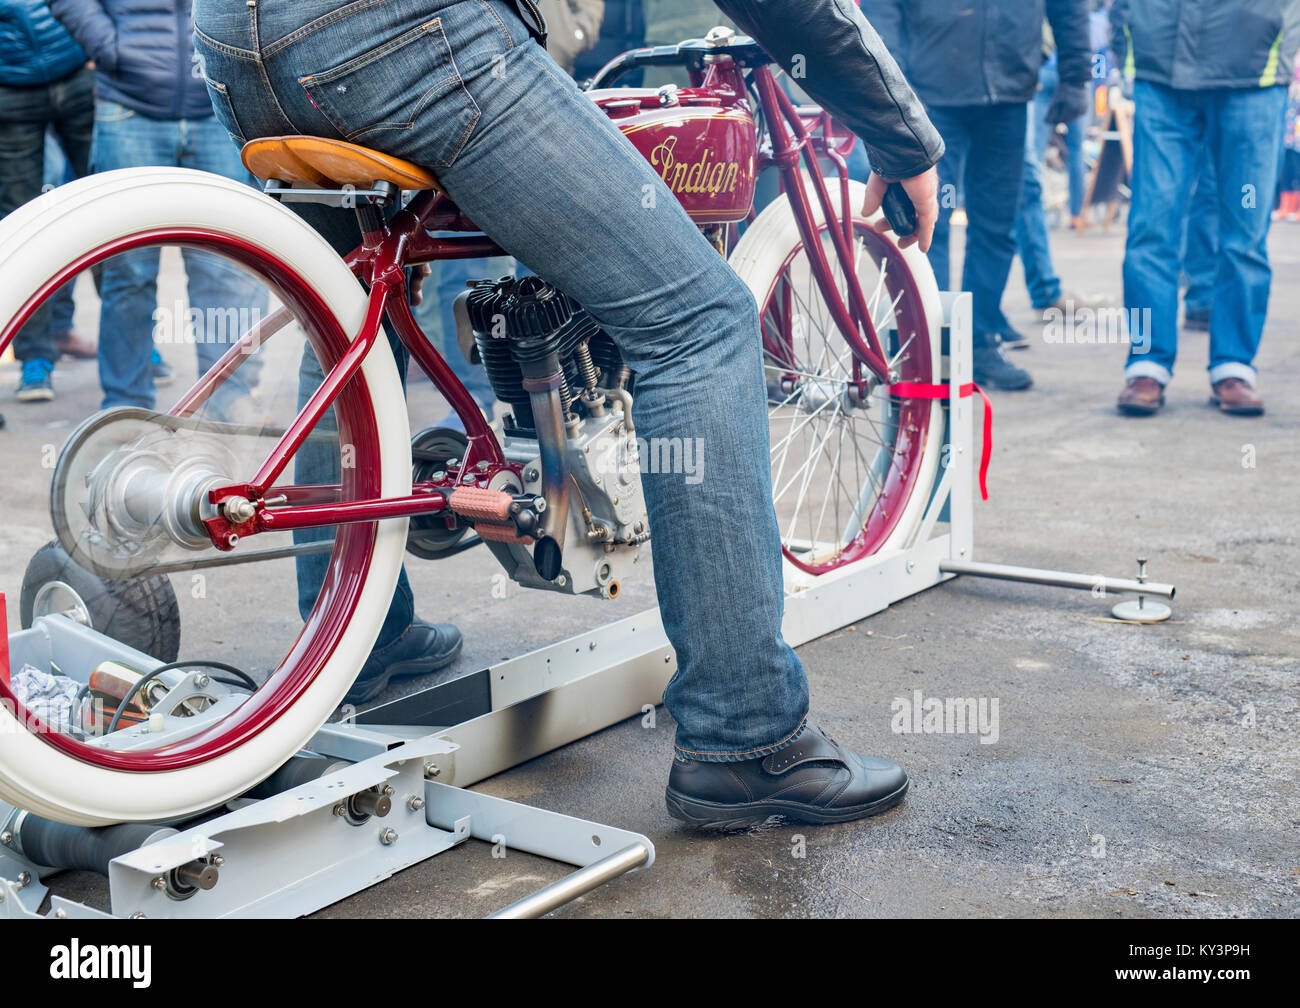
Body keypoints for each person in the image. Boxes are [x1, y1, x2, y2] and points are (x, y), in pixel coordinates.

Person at [192, 0, 943, 828]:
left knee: (355, 309)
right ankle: (746, 734)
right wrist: (900, 132)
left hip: (234, 44)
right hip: (396, 35)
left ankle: (359, 637)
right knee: (699, 323)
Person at [49, 0, 265, 418]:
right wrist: (112, 48)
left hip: (221, 104)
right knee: (128, 270)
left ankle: (226, 403)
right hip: (130, 106)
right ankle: (125, 409)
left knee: (225, 269)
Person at [863, 0, 1092, 392]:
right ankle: (922, 343)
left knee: (996, 225)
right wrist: (895, 83)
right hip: (927, 95)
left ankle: (979, 340)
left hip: (1008, 94)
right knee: (923, 225)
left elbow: (1068, 7)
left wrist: (1076, 76)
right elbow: (882, 7)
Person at [1111, 0, 1299, 417]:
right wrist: (1128, 34)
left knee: (1245, 234)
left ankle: (1235, 365)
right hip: (1161, 64)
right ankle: (1147, 364)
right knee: (1150, 227)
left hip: (1254, 67)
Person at [0, 1, 94, 402]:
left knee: (106, 209)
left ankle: (129, 343)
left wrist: (102, 48)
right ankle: (35, 358)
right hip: (10, 88)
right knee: (23, 225)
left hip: (78, 71)